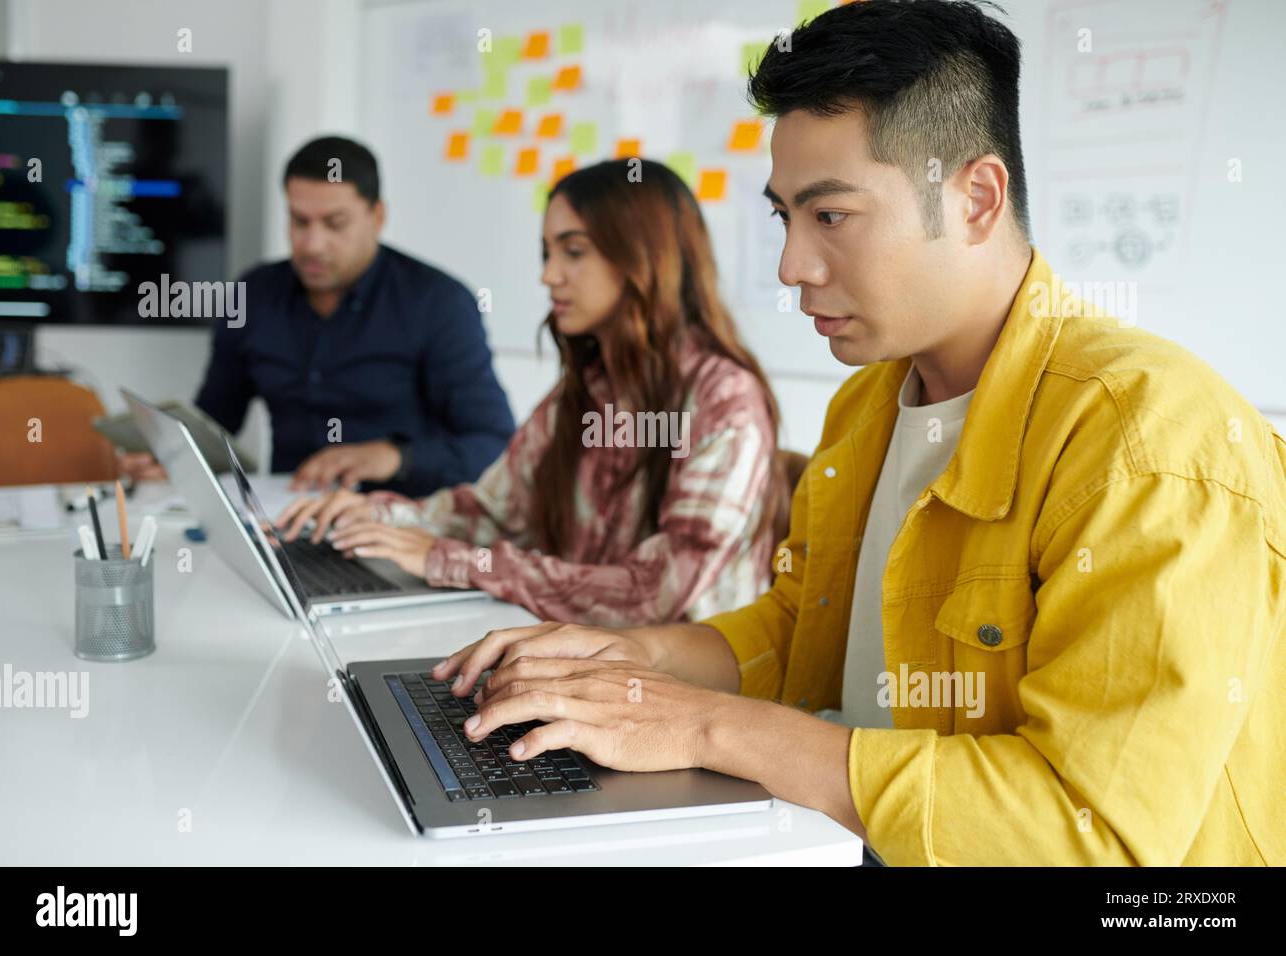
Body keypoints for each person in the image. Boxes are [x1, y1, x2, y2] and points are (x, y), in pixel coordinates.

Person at [425, 0, 1285, 866]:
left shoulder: (1150, 442)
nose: (792, 266)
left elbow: (1084, 834)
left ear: (976, 199)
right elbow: (811, 629)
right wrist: (630, 655)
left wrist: (704, 725)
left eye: (830, 216)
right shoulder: (871, 399)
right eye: (784, 218)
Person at [276, 159, 786, 626]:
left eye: (574, 251)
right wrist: (375, 516)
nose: (548, 275)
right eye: (547, 252)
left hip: (679, 698)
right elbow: (494, 511)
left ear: (643, 258)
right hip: (584, 658)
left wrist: (447, 558)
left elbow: (657, 591)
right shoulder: (585, 390)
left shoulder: (725, 400)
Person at [122, 135, 515, 496]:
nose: (312, 244)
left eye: (335, 224)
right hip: (286, 520)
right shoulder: (253, 295)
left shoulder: (439, 303)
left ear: (377, 217)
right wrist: (172, 458)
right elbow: (216, 423)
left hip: (397, 527)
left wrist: (393, 457)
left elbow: (494, 445)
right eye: (299, 221)